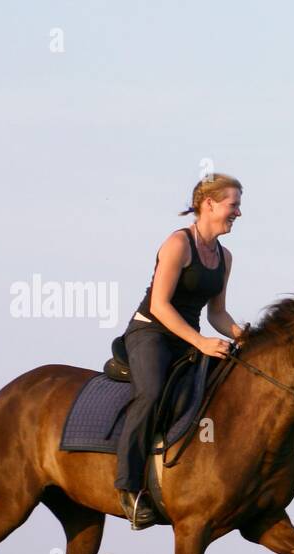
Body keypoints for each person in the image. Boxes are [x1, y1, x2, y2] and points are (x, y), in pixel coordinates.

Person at [114, 174, 245, 529]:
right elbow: (159, 305)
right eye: (233, 204)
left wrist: (242, 335)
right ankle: (128, 489)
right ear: (210, 204)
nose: (238, 212)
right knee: (152, 393)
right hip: (150, 332)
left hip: (187, 338)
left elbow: (216, 313)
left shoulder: (225, 257)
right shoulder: (178, 244)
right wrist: (201, 342)